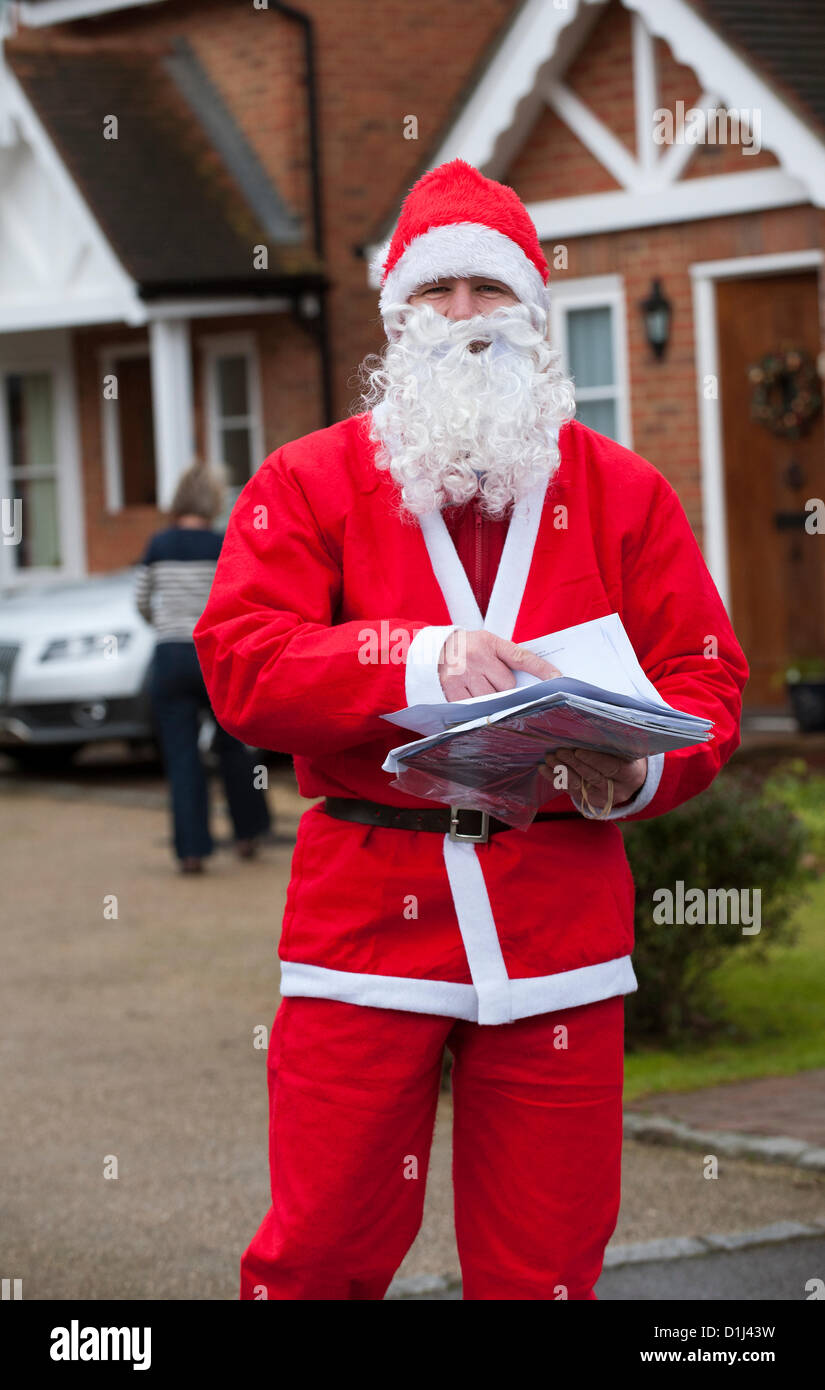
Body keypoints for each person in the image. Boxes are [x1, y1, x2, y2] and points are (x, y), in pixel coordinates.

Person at [193, 159, 749, 1299]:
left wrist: (634, 765)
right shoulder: (308, 480)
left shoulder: (625, 491)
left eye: (488, 292)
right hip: (364, 926)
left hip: (558, 933)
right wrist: (414, 654)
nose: (461, 318)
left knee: (546, 1267)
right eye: (435, 293)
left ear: (534, 317)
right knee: (317, 1257)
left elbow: (708, 675)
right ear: (396, 320)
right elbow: (241, 663)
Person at [135, 461, 272, 874]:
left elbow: (141, 600)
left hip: (171, 656)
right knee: (234, 744)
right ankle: (248, 832)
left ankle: (192, 850)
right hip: (215, 657)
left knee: (181, 755)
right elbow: (238, 599)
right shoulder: (223, 542)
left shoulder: (158, 544)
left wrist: (163, 625)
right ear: (213, 501)